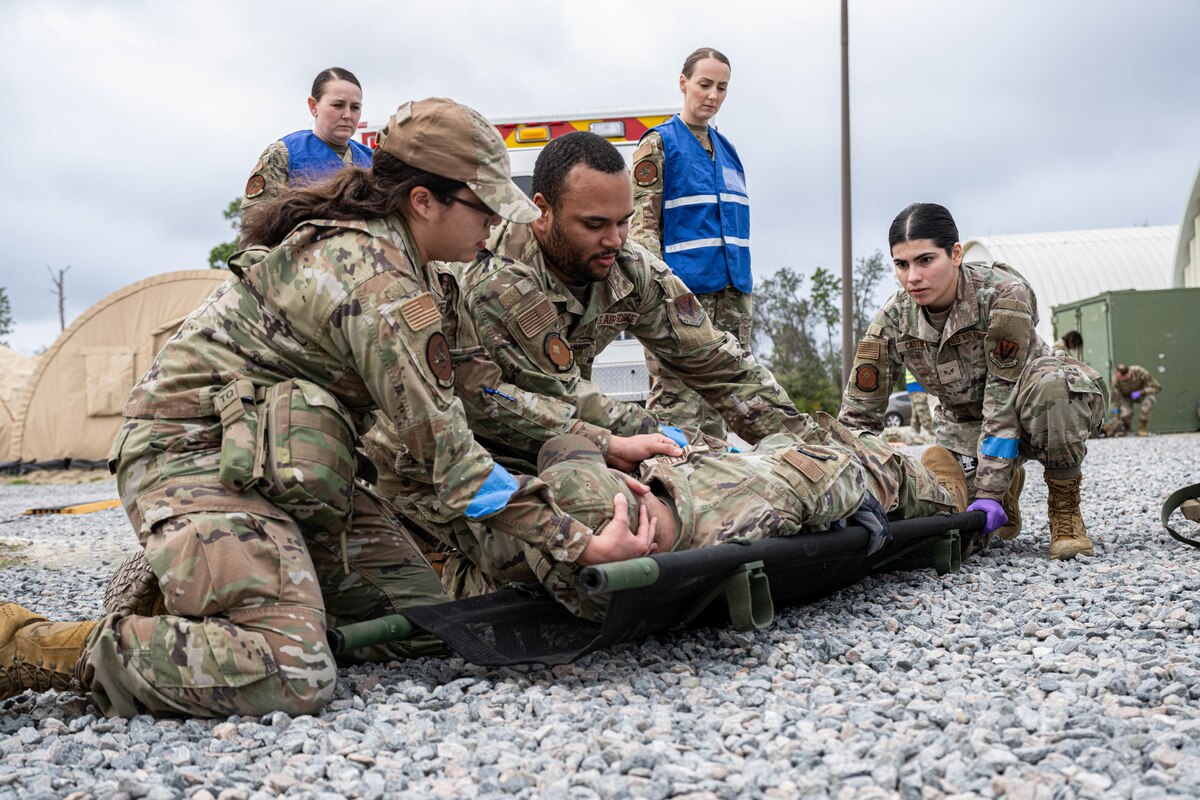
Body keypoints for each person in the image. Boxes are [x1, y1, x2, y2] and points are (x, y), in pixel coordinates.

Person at [0, 99, 657, 717]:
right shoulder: (376, 281)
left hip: (283, 461)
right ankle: (30, 644)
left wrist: (594, 440)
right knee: (291, 671)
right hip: (192, 456)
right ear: (423, 200)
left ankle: (224, 582)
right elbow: (453, 463)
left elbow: (474, 389)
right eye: (483, 207)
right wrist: (580, 545)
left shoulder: (416, 263)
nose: (494, 224)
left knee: (441, 623)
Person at [362, 130, 808, 599]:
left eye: (624, 221)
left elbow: (718, 363)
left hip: (551, 443)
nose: (614, 240)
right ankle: (435, 563)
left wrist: (802, 443)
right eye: (595, 224)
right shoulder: (498, 277)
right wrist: (684, 444)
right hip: (447, 468)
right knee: (566, 565)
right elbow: (562, 395)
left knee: (643, 514)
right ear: (542, 211)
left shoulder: (627, 264)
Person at [838, 203, 1107, 561]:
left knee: (1052, 384)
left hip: (1033, 411)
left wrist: (989, 490)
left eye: (925, 260)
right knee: (953, 534)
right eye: (901, 265)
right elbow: (857, 416)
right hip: (965, 428)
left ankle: (1065, 512)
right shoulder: (893, 320)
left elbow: (1003, 399)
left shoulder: (1004, 293)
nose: (912, 277)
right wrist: (843, 489)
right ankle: (1006, 482)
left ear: (955, 254)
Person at [525, 413, 967, 620]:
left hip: (727, 464)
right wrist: (856, 502)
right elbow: (833, 472)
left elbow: (557, 455)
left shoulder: (558, 562)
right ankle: (953, 492)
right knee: (881, 471)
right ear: (632, 486)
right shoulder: (755, 498)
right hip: (776, 467)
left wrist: (609, 447)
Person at [628, 47, 751, 439]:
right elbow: (642, 228)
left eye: (722, 88)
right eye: (704, 85)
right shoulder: (658, 145)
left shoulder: (729, 151)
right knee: (676, 405)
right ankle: (670, 488)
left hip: (732, 297)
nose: (712, 95)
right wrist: (656, 293)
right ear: (683, 84)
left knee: (722, 402)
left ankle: (716, 488)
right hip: (680, 298)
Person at [241, 67, 374, 216]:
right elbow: (256, 227)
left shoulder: (374, 162)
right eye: (338, 105)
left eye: (355, 107)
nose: (348, 115)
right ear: (313, 106)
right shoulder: (283, 155)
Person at [1111, 362, 1161, 436]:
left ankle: (1142, 429)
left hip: (1141, 394)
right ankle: (1126, 429)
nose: (1118, 378)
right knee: (1125, 414)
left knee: (1150, 399)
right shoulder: (1115, 380)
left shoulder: (1139, 371)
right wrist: (1115, 418)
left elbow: (1157, 387)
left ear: (1127, 374)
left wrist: (1142, 392)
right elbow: (1114, 401)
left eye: (1121, 378)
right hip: (1126, 397)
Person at [905, 367, 936, 435]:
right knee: (922, 410)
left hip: (913, 388)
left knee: (916, 412)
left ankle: (914, 433)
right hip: (918, 387)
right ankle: (933, 432)